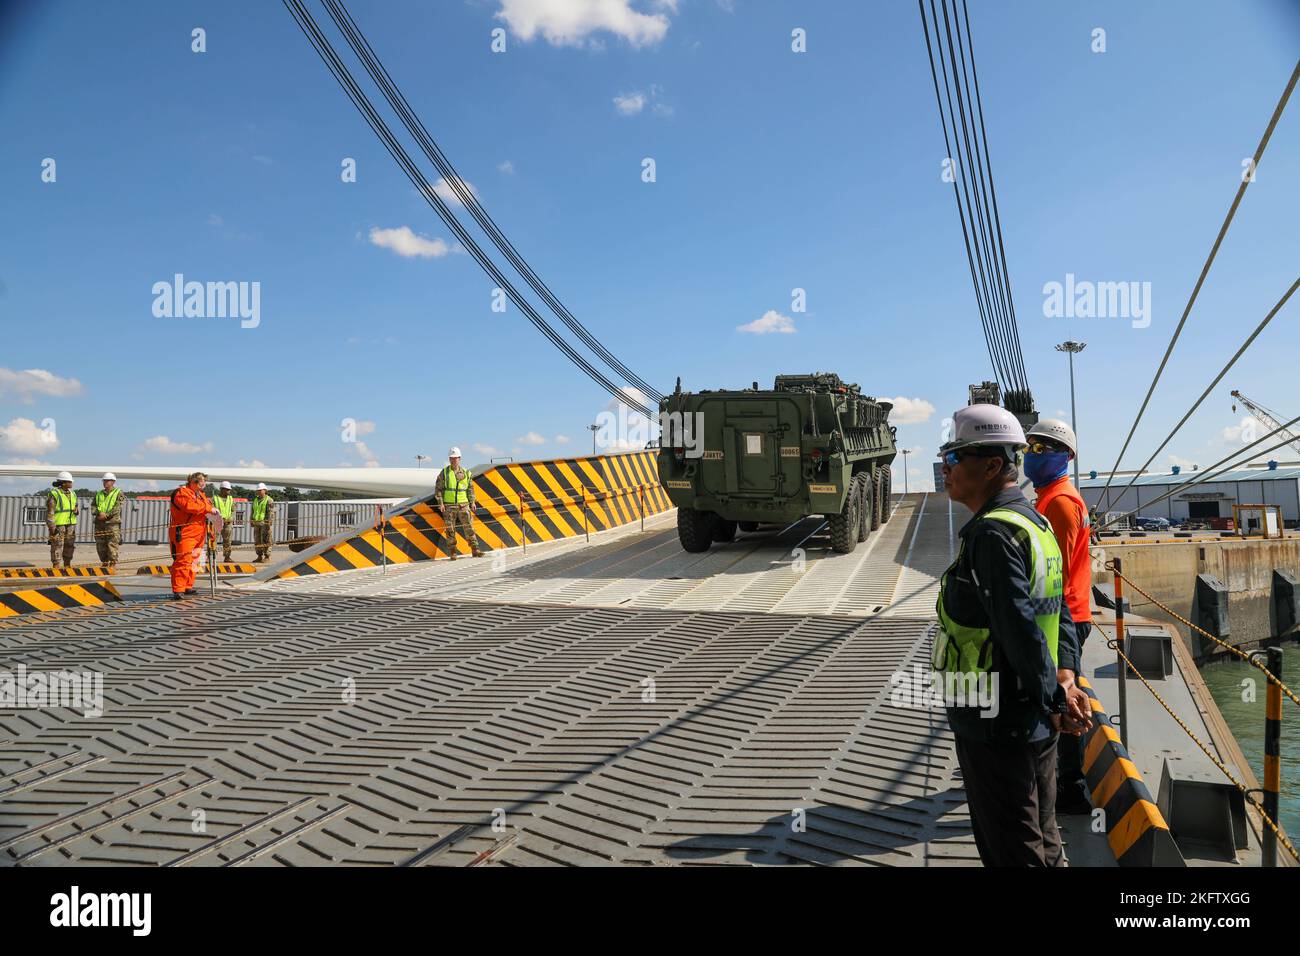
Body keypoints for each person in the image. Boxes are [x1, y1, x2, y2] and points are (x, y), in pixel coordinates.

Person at [934, 404, 1091, 866]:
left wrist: (1057, 697)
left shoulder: (992, 535)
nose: (946, 470)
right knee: (1043, 838)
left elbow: (1018, 626)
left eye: (954, 459)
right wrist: (1063, 681)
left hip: (996, 718)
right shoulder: (1034, 522)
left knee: (1013, 850)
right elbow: (1059, 607)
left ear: (992, 466)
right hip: (1032, 715)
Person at [1024, 419, 1096, 815]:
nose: (1032, 455)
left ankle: (1071, 788)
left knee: (1062, 696)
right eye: (1030, 447)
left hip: (1064, 615)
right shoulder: (1049, 496)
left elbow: (1058, 573)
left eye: (1042, 448)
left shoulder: (1061, 503)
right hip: (1065, 612)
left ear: (1065, 457)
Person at [169, 471, 215, 599]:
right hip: (185, 533)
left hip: (199, 533)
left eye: (204, 482)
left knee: (195, 561)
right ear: (193, 482)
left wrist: (208, 507)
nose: (204, 484)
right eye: (202, 482)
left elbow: (206, 507)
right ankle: (178, 589)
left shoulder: (200, 495)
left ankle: (188, 586)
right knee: (183, 560)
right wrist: (208, 507)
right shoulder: (181, 493)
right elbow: (191, 507)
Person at [435, 447, 481, 559]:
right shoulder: (444, 473)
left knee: (469, 527)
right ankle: (453, 552)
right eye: (451, 458)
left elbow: (470, 489)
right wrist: (440, 503)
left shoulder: (466, 473)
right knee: (450, 529)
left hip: (464, 505)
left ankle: (475, 549)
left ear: (459, 459)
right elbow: (438, 489)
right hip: (449, 506)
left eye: (455, 458)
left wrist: (472, 502)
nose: (453, 460)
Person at [46, 471, 79, 569]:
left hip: (71, 524)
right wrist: (52, 527)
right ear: (63, 483)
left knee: (70, 544)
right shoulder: (54, 494)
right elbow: (50, 512)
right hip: (59, 524)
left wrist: (76, 510)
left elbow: (76, 507)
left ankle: (67, 564)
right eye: (70, 481)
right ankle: (56, 565)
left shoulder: (73, 493)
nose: (71, 483)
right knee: (57, 545)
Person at [93, 472, 123, 572]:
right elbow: (93, 506)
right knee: (100, 544)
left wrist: (106, 515)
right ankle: (104, 562)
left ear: (113, 482)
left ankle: (113, 563)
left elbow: (117, 507)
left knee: (112, 543)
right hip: (99, 522)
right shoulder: (98, 494)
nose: (105, 482)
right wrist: (98, 513)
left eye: (107, 480)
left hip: (112, 523)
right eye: (104, 481)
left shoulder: (118, 493)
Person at [250, 483, 275, 563]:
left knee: (266, 540)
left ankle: (267, 556)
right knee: (257, 540)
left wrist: (269, 523)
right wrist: (251, 520)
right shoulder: (255, 500)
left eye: (260, 490)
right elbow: (253, 511)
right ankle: (259, 556)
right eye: (258, 490)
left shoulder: (269, 500)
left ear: (265, 491)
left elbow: (271, 513)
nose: (259, 492)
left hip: (265, 523)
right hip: (257, 523)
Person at [213, 480, 236, 563]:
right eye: (227, 489)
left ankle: (227, 557)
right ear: (222, 489)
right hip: (217, 523)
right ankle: (211, 557)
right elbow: (211, 510)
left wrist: (230, 518)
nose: (229, 491)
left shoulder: (231, 499)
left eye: (229, 489)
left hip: (228, 523)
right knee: (213, 540)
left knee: (227, 541)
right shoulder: (215, 498)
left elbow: (233, 510)